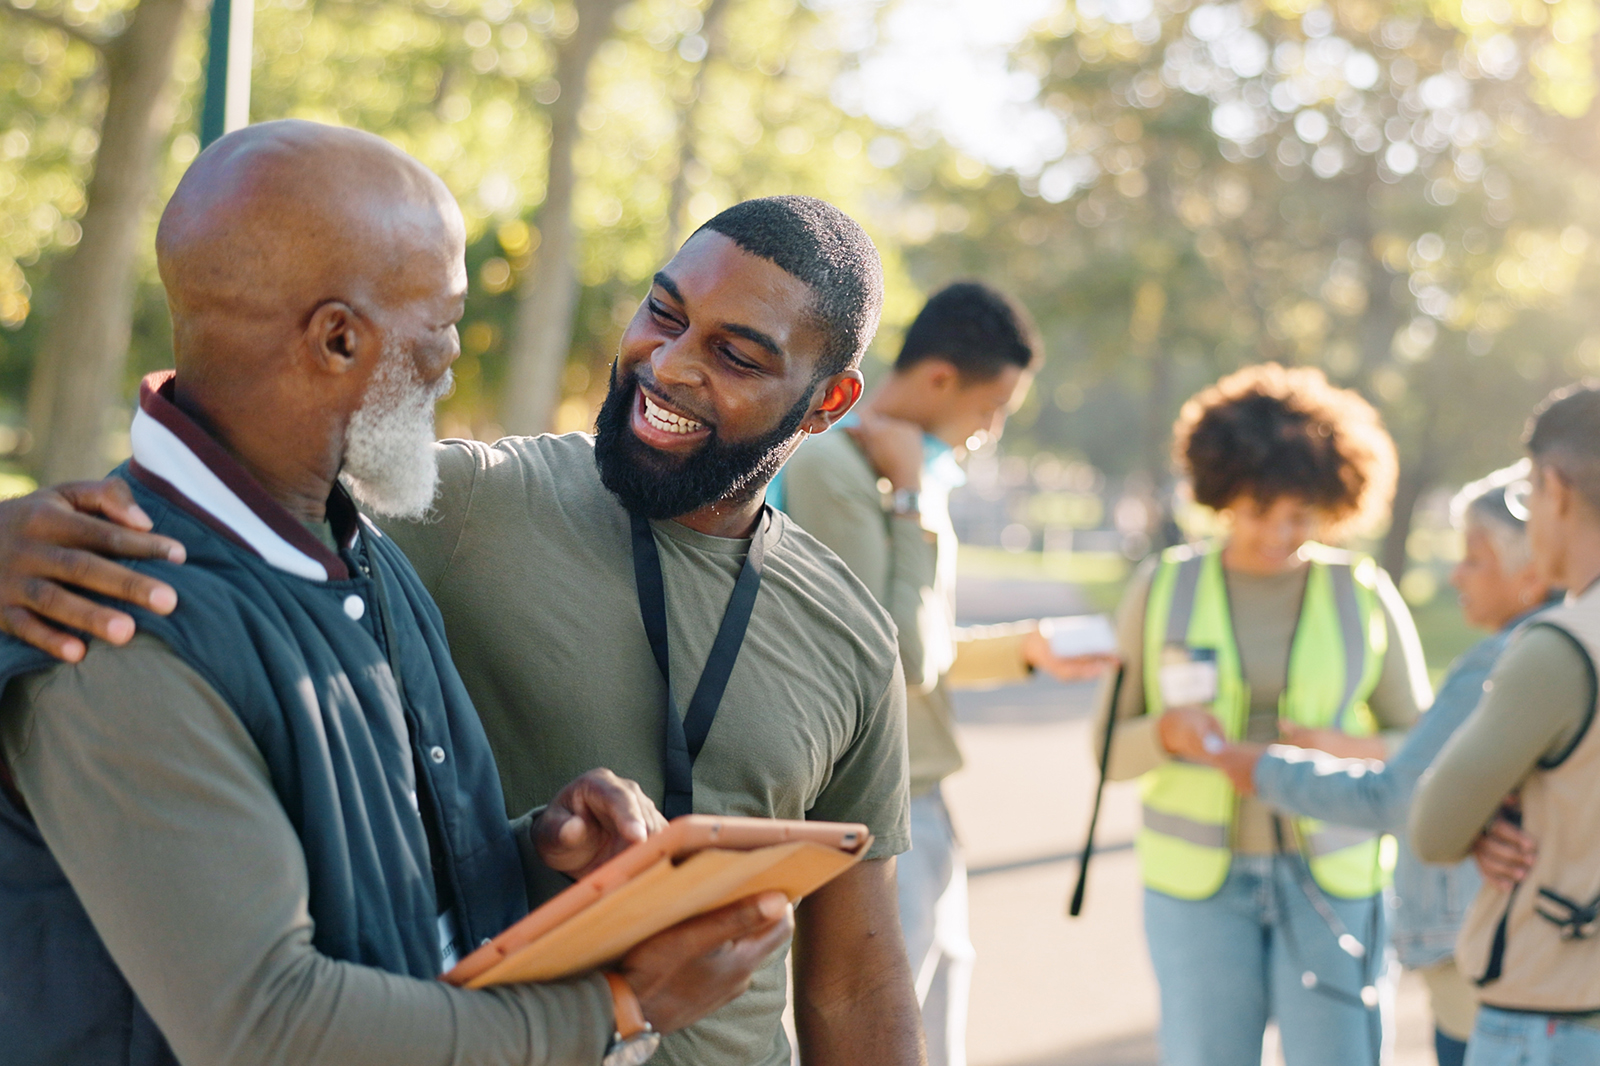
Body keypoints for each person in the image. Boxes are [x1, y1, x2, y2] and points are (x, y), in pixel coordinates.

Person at [0, 191, 923, 1061]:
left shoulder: (851, 636)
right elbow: (206, 513)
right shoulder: (469, 499)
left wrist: (545, 852)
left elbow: (853, 983)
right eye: (665, 313)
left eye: (738, 356)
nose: (671, 363)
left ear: (830, 402)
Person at [775, 280, 1111, 1066]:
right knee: (891, 1032)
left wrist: (1025, 651)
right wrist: (916, 507)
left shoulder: (895, 465)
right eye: (992, 408)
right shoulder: (841, 466)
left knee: (935, 1013)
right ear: (938, 381)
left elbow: (913, 647)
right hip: (875, 802)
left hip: (919, 794)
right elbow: (901, 656)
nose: (990, 431)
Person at [1095, 363, 1432, 1066]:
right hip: (1198, 894)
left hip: (1336, 884)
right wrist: (1163, 733)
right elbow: (1107, 753)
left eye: (1301, 514)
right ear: (1222, 496)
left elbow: (1424, 749)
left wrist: (1345, 745)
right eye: (1259, 510)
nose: (1280, 532)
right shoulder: (1162, 587)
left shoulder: (1364, 594)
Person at [1201, 462, 1557, 1066]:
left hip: (1484, 974)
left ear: (1529, 574)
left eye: (1472, 558)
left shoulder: (1498, 661)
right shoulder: (1561, 644)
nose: (1456, 574)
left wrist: (1261, 769)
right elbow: (1453, 761)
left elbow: (1396, 798)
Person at [1411, 384, 1600, 1063]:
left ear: (1555, 488)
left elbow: (1434, 826)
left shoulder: (1560, 649)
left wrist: (1483, 825)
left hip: (1553, 1012)